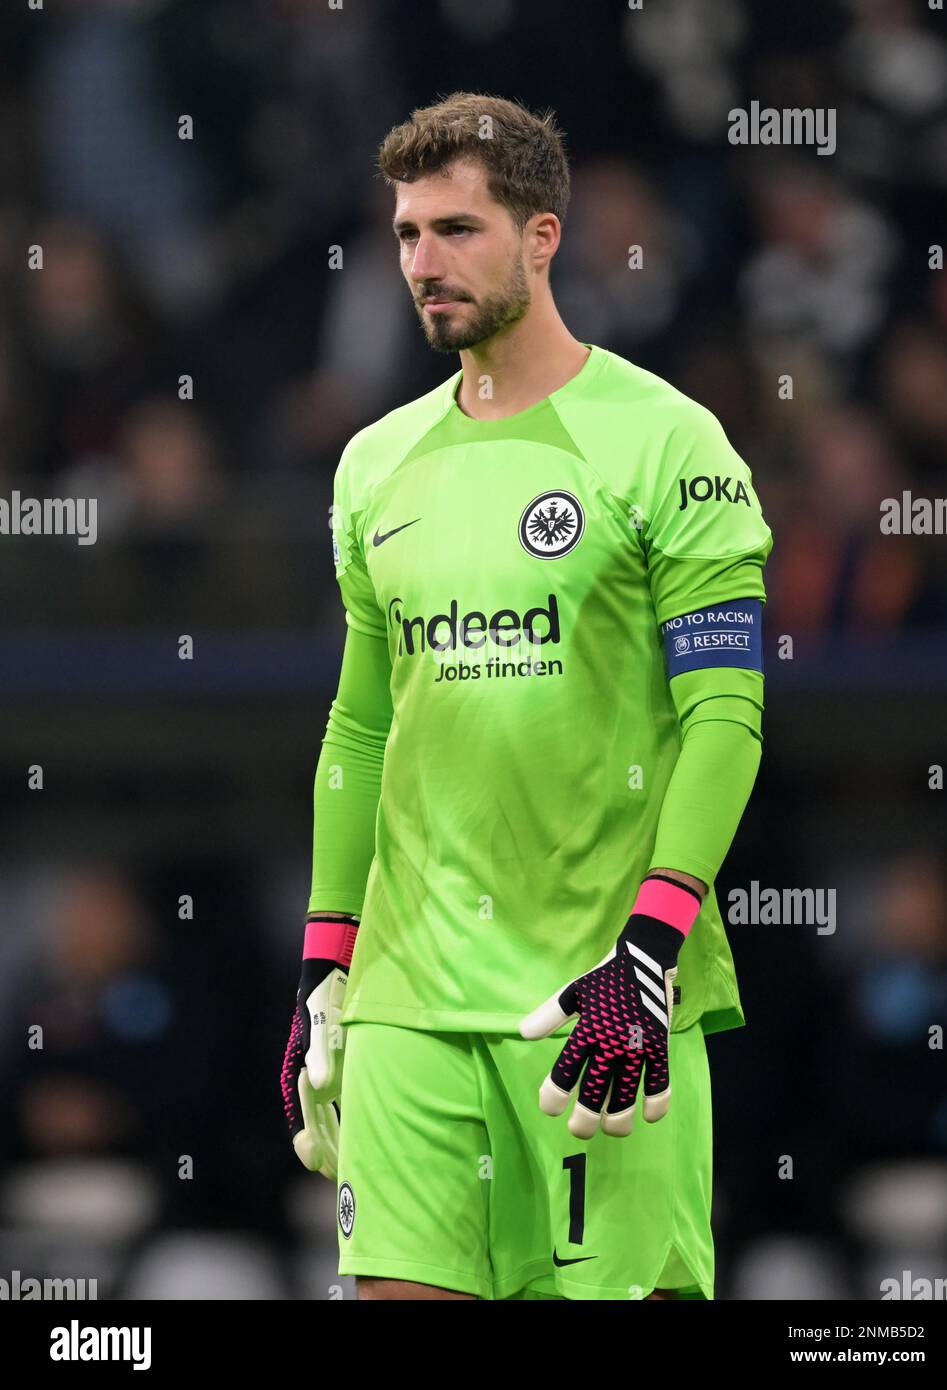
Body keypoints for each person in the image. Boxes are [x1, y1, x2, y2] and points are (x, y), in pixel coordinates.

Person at [280, 92, 772, 1301]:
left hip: (601, 986)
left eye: (456, 229)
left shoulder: (670, 443)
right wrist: (325, 956)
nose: (424, 263)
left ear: (543, 237)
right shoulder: (373, 462)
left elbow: (726, 715)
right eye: (405, 234)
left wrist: (651, 945)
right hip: (407, 998)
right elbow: (359, 726)